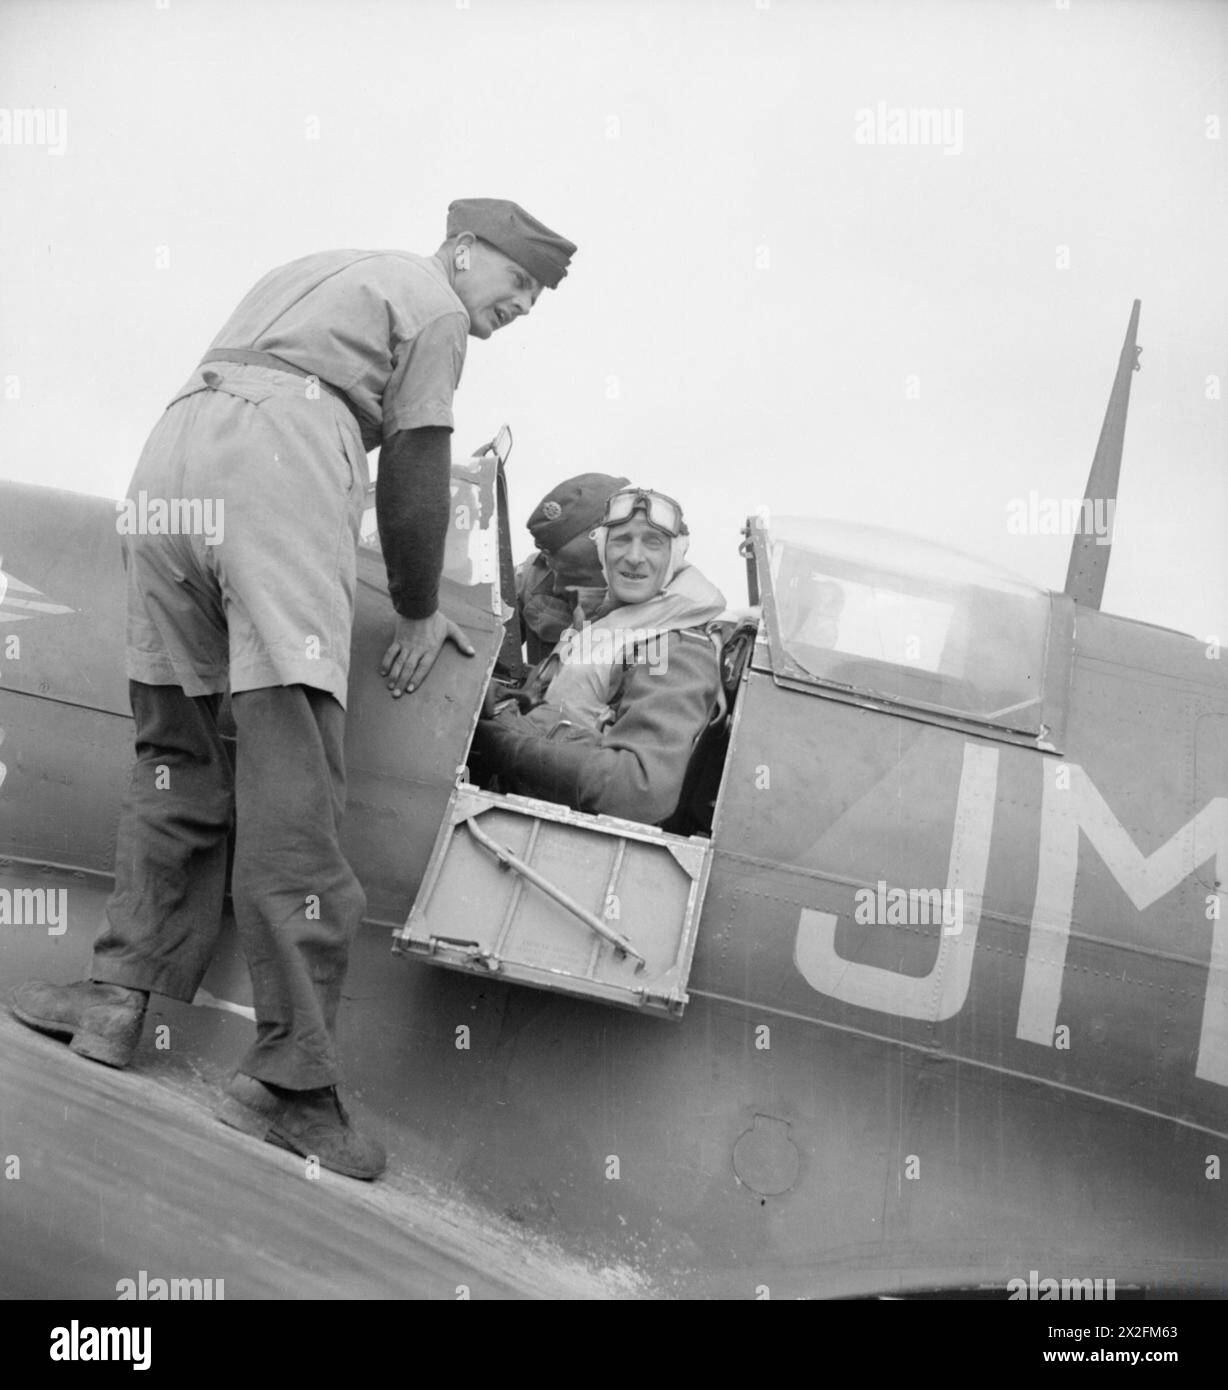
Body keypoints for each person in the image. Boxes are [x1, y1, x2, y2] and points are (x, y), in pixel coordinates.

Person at [8, 198, 576, 1181]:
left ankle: (114, 996)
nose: (522, 304)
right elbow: (416, 456)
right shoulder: (433, 307)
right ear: (463, 252)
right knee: (294, 774)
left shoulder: (313, 268)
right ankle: (293, 1082)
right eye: (516, 281)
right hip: (279, 469)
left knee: (174, 756)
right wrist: (412, 602)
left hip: (172, 460)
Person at [474, 488, 725, 827]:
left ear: (675, 555)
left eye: (653, 542)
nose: (634, 557)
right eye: (621, 540)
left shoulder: (667, 648)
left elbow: (638, 789)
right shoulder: (616, 619)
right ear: (603, 550)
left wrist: (500, 744)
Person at [515, 472, 628, 663]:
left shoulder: (661, 594)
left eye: (575, 574)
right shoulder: (530, 576)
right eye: (555, 569)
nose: (557, 586)